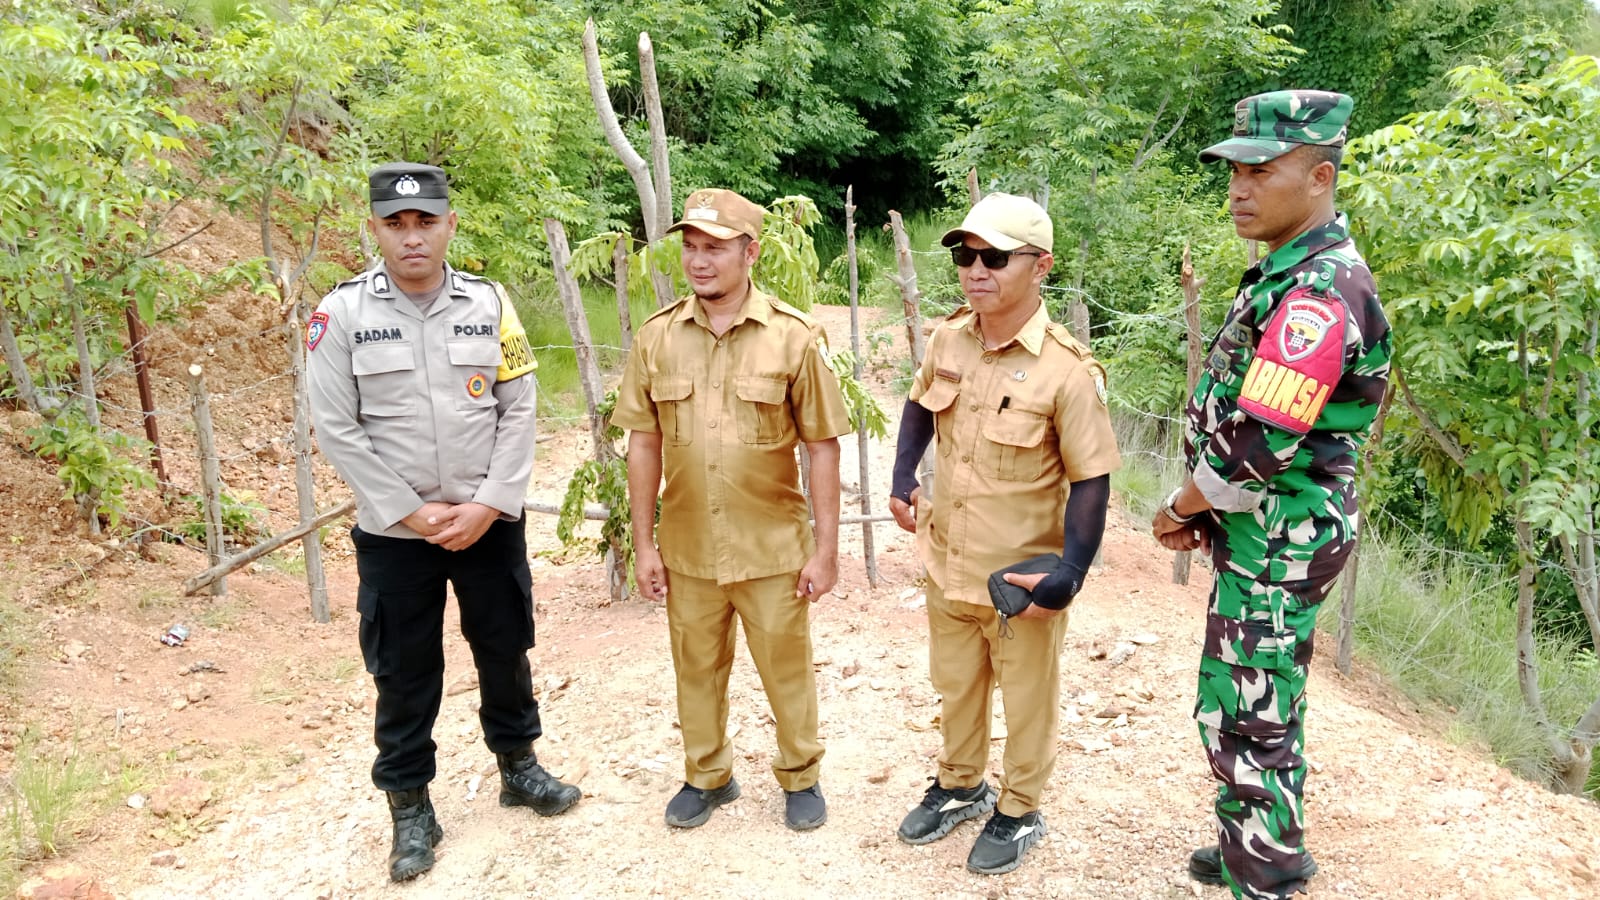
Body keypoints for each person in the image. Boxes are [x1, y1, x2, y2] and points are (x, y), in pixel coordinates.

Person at [307, 162, 580, 883]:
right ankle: (410, 810)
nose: (412, 236)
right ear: (374, 230)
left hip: (489, 521)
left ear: (449, 224)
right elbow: (336, 427)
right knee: (403, 668)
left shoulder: (492, 304)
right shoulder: (340, 317)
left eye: (425, 220)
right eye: (395, 224)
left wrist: (491, 501)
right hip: (398, 536)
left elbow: (518, 407)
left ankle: (519, 768)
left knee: (504, 644)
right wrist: (409, 510)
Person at [1151, 91, 1391, 900]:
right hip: (1267, 525)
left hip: (1280, 528)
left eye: (1262, 170)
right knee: (1259, 687)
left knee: (1246, 704)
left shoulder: (1321, 289)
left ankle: (1264, 874)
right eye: (1233, 173)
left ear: (1320, 176)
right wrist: (1211, 509)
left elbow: (1261, 442)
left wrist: (1185, 506)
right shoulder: (1292, 269)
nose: (1239, 189)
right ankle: (1259, 842)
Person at [887, 192, 1121, 875]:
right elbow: (919, 405)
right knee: (955, 685)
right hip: (947, 563)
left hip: (1017, 579)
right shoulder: (949, 338)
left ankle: (1018, 808)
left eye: (994, 257)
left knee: (1026, 700)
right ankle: (961, 785)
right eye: (965, 255)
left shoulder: (1066, 371)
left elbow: (1092, 478)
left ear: (1040, 266)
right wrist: (903, 476)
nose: (974, 271)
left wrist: (1069, 572)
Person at [611, 188, 851, 833]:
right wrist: (646, 543)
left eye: (714, 248)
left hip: (771, 546)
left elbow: (822, 448)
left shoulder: (793, 339)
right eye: (690, 247)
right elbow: (644, 443)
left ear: (751, 252)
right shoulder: (658, 337)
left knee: (786, 669)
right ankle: (707, 775)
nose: (698, 260)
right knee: (695, 666)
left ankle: (801, 775)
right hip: (688, 545)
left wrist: (824, 552)